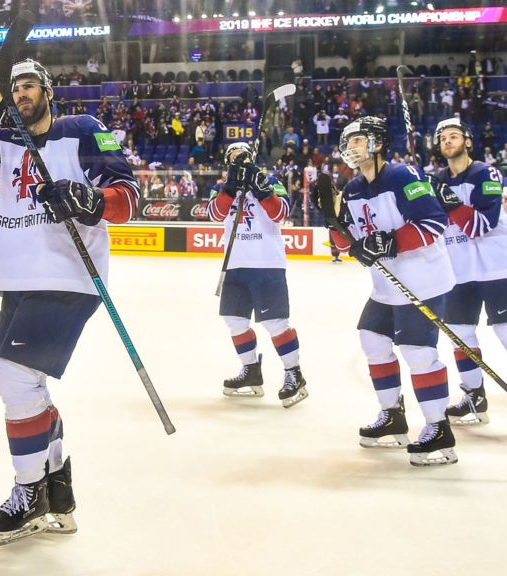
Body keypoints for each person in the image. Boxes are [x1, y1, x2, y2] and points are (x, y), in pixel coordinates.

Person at [0, 58, 139, 546]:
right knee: (23, 387)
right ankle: (57, 491)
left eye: (29, 85)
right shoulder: (2, 138)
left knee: (14, 380)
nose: (20, 93)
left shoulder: (83, 129)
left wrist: (90, 200)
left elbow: (128, 197)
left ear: (49, 91)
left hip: (67, 275)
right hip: (15, 277)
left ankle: (29, 492)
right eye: (14, 88)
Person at [328, 116, 457, 466]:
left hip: (422, 281)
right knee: (372, 339)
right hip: (386, 286)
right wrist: (334, 223)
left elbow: (434, 222)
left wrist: (388, 242)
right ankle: (392, 418)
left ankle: (439, 430)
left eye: (358, 140)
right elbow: (348, 243)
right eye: (348, 142)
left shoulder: (403, 176)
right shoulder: (352, 189)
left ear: (378, 143)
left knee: (418, 353)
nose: (351, 147)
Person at [207, 142, 308, 408]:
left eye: (243, 157)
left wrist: (261, 188)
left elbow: (281, 214)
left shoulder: (270, 182)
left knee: (275, 322)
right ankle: (250, 370)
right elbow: (215, 214)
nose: (238, 161)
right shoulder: (220, 187)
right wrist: (231, 187)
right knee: (234, 320)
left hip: (267, 264)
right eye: (233, 158)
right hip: (235, 264)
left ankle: (294, 374)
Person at [430, 117, 507, 426]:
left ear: (468, 142)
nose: (448, 141)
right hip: (459, 272)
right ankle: (474, 396)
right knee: (459, 334)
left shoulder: (487, 173)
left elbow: (480, 225)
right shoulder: (435, 180)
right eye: (443, 138)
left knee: (505, 331)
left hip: (497, 267)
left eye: (454, 136)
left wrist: (449, 203)